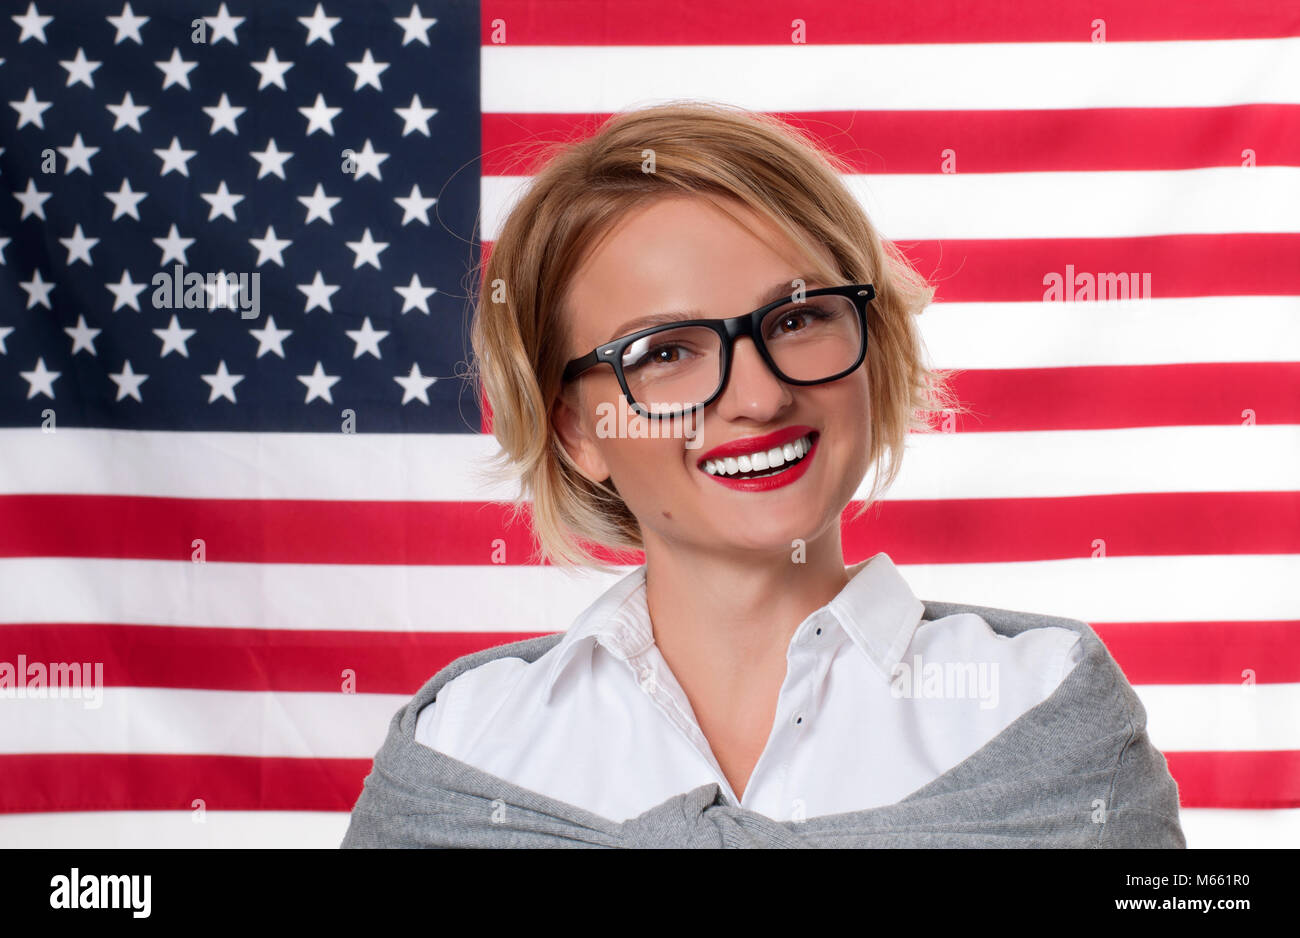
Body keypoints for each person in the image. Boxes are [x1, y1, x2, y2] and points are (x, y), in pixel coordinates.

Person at [342, 100, 1185, 847]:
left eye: (799, 317)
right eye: (665, 351)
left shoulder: (1043, 700)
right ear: (575, 430)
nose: (759, 394)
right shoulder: (463, 746)